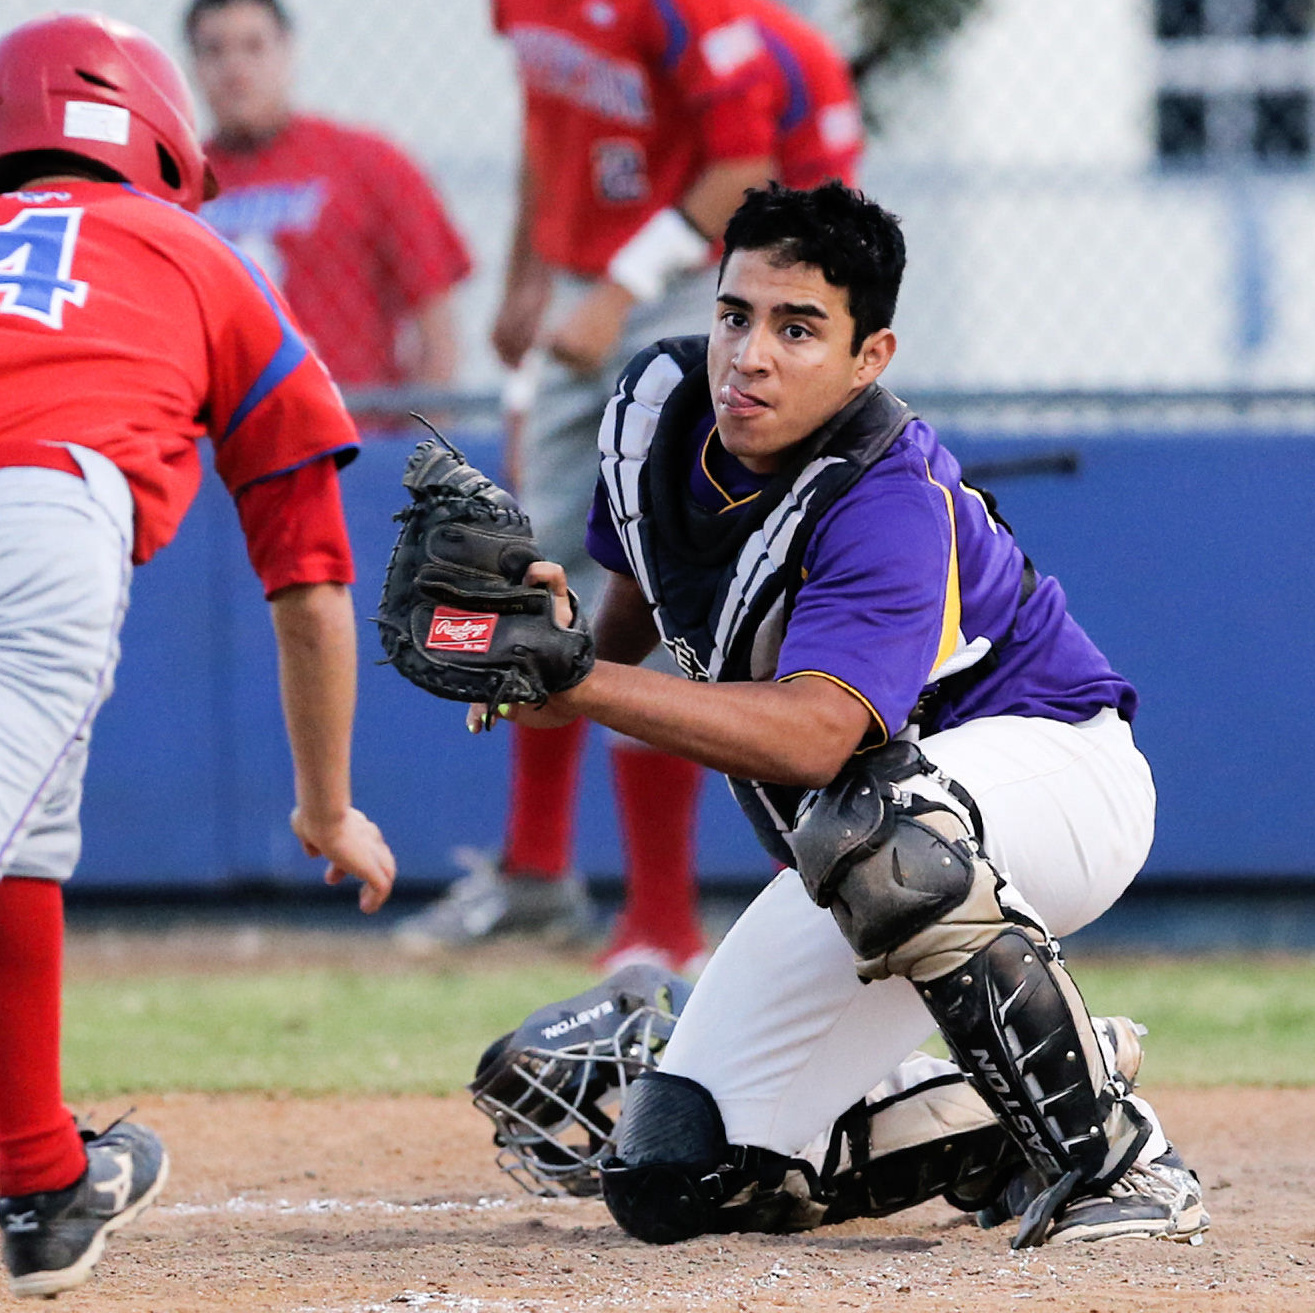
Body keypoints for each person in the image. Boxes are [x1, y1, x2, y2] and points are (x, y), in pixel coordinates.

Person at [475, 181, 1209, 1248]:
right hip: (877, 839)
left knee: (879, 828)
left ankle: (1115, 1157)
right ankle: (999, 1117)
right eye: (735, 314)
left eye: (798, 327)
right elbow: (618, 626)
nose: (750, 355)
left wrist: (574, 681)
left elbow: (817, 735)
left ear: (870, 356)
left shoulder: (886, 493)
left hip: (1057, 779)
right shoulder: (653, 410)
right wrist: (521, 663)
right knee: (678, 1173)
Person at [0, 12, 396, 1298]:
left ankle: (43, 1177)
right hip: (39, 523)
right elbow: (312, 579)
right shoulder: (196, 250)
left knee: (27, 839)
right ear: (163, 137)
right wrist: (327, 806)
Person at [395, 0, 865, 971]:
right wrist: (531, 273)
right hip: (589, 280)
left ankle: (675, 915)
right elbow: (549, 124)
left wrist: (612, 293)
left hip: (705, 285)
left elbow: (744, 176)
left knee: (662, 582)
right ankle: (539, 871)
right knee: (538, 560)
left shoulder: (713, 18)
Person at [186, 0, 472, 395]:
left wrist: (419, 437)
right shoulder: (175, 186)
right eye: (214, 50)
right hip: (219, 433)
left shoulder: (369, 163)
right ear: (191, 65)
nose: (235, 69)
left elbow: (437, 323)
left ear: (287, 51)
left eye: (253, 46)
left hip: (358, 427)